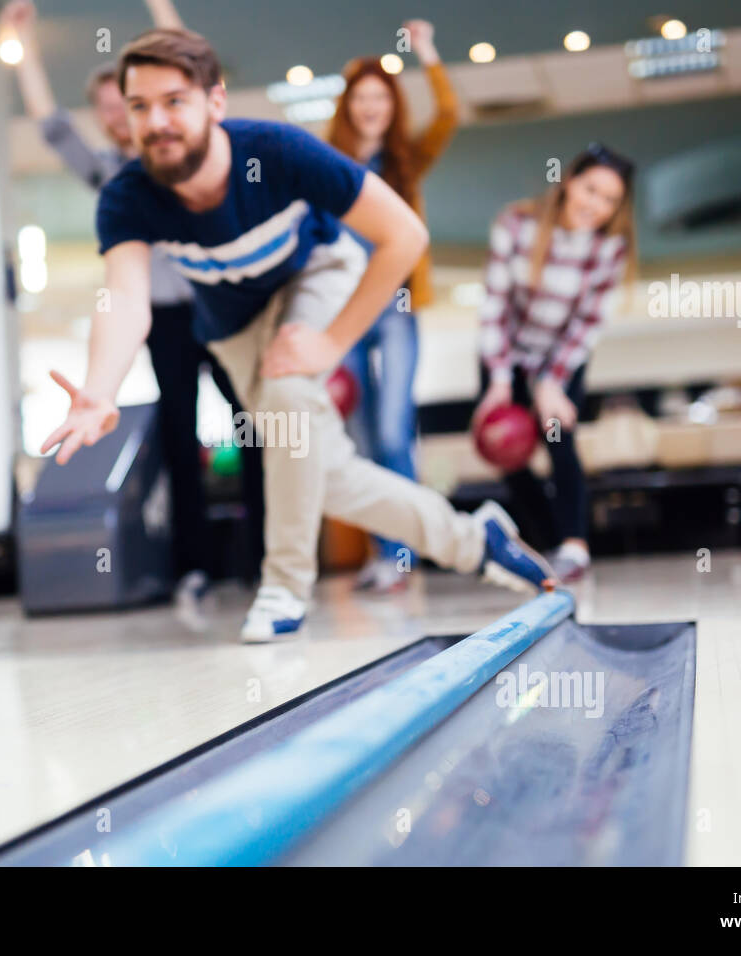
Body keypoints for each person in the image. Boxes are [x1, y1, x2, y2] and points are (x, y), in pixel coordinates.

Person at [40, 28, 554, 642]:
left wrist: (333, 342)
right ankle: (475, 540)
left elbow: (405, 237)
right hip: (232, 325)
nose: (156, 121)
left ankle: (283, 586)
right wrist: (100, 390)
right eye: (140, 106)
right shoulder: (129, 195)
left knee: (286, 407)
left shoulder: (278, 152)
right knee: (322, 469)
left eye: (175, 101)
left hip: (314, 275)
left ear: (216, 103)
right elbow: (125, 297)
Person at [0, 0, 264, 607]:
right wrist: (24, 46)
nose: (120, 115)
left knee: (252, 425)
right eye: (110, 109)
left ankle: (261, 558)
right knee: (179, 435)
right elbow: (49, 126)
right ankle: (195, 567)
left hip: (218, 305)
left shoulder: (188, 150)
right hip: (163, 319)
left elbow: (185, 65)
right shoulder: (113, 178)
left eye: (130, 102)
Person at [325, 19, 457, 593]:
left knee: (393, 429)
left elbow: (449, 115)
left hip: (397, 308)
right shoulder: (328, 163)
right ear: (348, 106)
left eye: (381, 97)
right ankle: (388, 554)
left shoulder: (406, 160)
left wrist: (427, 52)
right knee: (359, 436)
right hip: (346, 315)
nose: (372, 107)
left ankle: (407, 553)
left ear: (391, 104)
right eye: (362, 98)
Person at [472, 143, 637, 583]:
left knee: (559, 439)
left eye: (610, 200)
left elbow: (587, 324)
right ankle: (546, 548)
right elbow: (494, 307)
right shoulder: (516, 225)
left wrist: (551, 384)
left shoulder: (609, 249)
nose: (596, 205)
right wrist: (500, 382)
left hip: (561, 357)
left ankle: (574, 547)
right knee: (507, 453)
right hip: (505, 352)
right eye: (591, 190)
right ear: (568, 182)